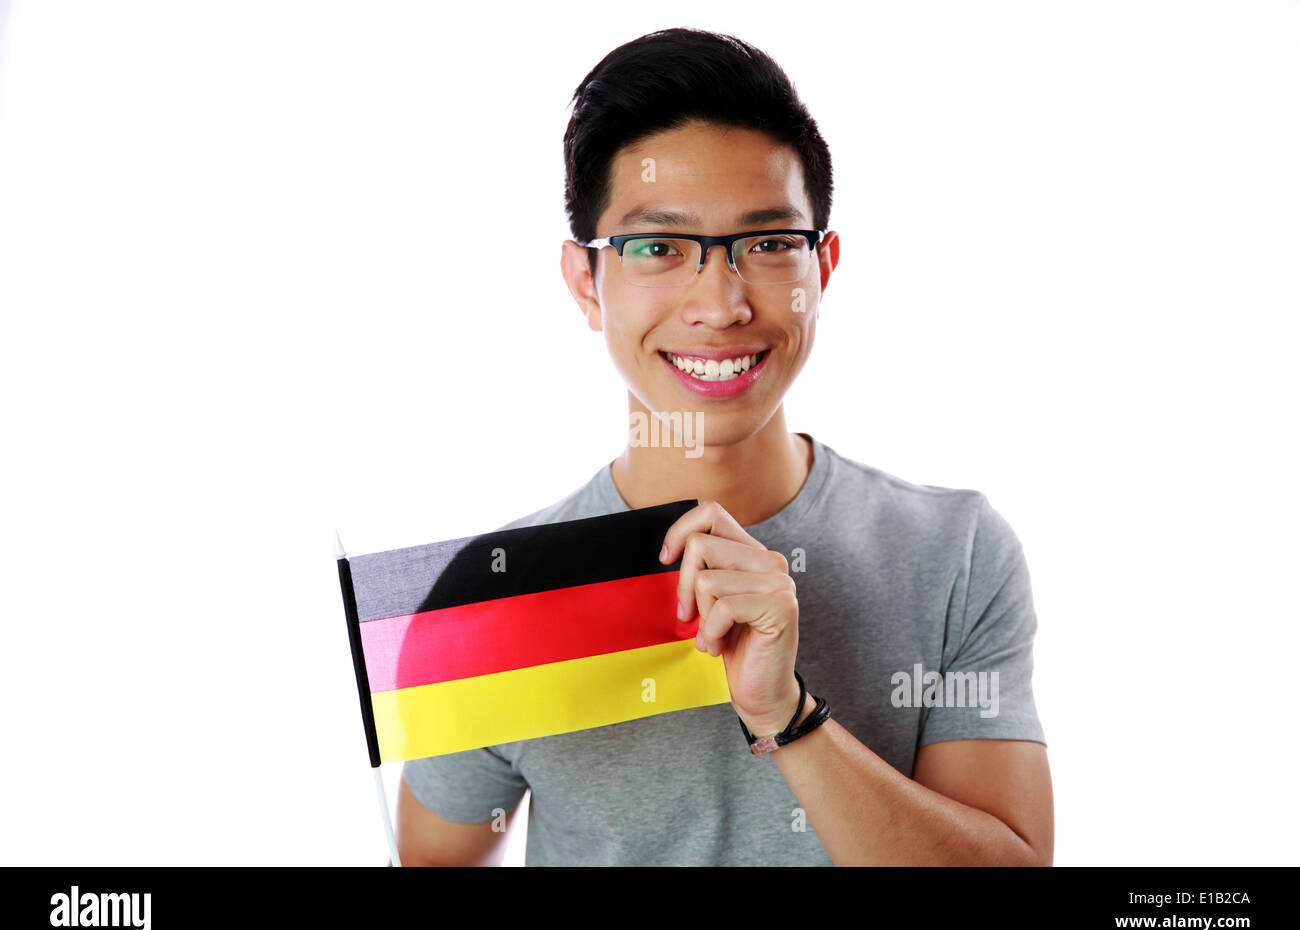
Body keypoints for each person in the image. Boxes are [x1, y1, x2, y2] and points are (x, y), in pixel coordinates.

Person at [396, 27, 1053, 865]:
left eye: (770, 244)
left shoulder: (954, 552)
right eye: (658, 247)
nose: (720, 303)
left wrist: (788, 716)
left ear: (825, 269)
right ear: (584, 283)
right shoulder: (497, 597)